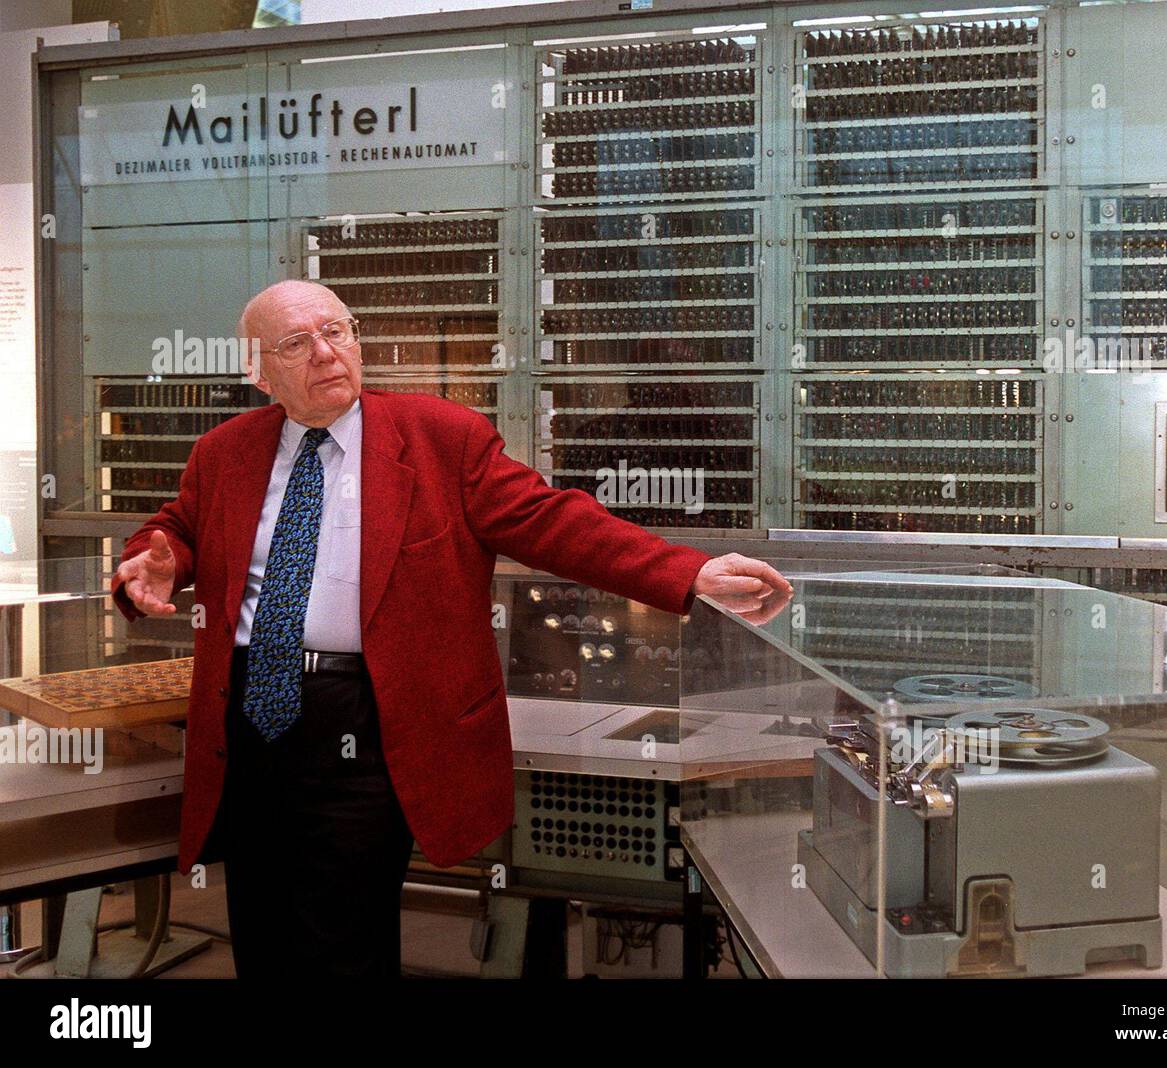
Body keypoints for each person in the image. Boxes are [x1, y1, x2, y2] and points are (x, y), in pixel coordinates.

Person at [111, 280, 792, 978]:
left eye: (337, 331)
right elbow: (176, 529)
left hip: (365, 721)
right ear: (258, 372)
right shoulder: (226, 451)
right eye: (296, 344)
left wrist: (691, 574)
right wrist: (151, 564)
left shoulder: (440, 439)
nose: (325, 352)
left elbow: (556, 524)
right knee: (262, 921)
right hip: (249, 721)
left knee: (343, 933)